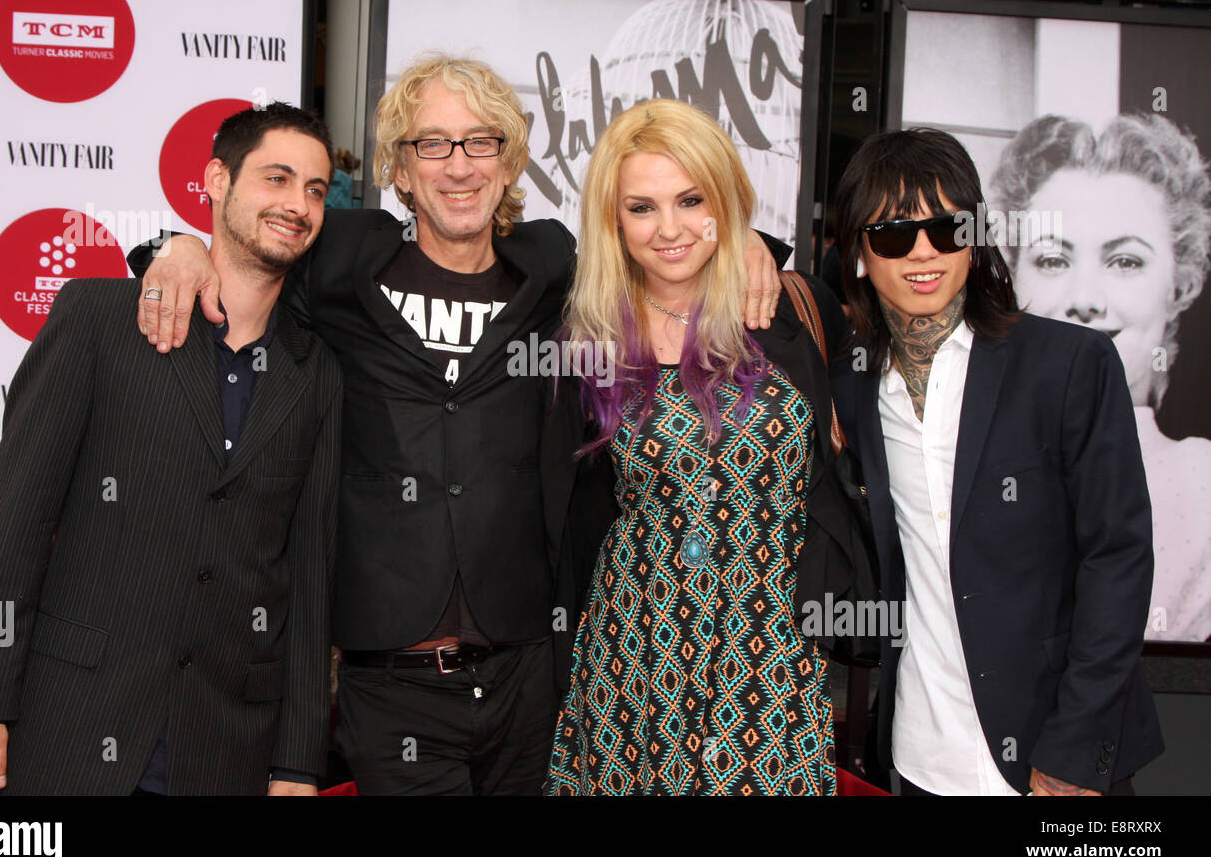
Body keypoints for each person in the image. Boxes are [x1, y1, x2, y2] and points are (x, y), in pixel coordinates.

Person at [129, 56, 784, 795]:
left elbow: (667, 257)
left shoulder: (555, 271)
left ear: (509, 165)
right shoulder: (342, 259)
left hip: (532, 675)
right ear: (400, 172)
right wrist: (172, 248)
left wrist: (748, 244)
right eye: (431, 144)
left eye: (481, 143)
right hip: (391, 683)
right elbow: (254, 247)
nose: (459, 166)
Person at [0, 103, 343, 796]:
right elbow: (14, 521)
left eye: (314, 189)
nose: (297, 204)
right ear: (217, 179)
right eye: (276, 178)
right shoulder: (99, 320)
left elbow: (306, 580)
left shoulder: (318, 376)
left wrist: (298, 764)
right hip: (65, 726)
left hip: (222, 754)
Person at [829, 126, 1164, 795]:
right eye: (895, 234)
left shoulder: (1068, 365)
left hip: (1051, 756)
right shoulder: (856, 387)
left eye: (947, 230)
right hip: (919, 754)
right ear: (861, 252)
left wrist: (1074, 748)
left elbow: (1118, 558)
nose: (924, 253)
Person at [547, 99, 852, 795]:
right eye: (642, 208)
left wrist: (749, 244)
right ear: (613, 221)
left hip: (771, 642)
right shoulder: (588, 339)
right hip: (635, 644)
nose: (671, 229)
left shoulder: (788, 313)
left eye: (692, 200)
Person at [990, 113, 1211, 642]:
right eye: (1052, 259)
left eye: (1126, 261)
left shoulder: (1203, 486)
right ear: (1012, 274)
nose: (1085, 299)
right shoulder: (952, 453)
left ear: (1178, 285)